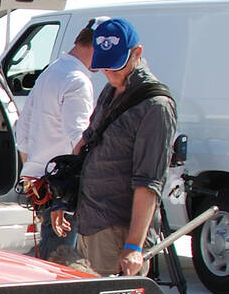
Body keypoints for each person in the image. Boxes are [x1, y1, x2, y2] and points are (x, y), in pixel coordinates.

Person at [51, 18, 177, 277]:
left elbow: (149, 182)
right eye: (104, 67)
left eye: (116, 66)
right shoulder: (111, 90)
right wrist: (63, 200)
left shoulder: (155, 107)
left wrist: (133, 246)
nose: (110, 73)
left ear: (137, 53)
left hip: (118, 231)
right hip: (90, 222)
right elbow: (86, 144)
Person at [18, 22, 96, 262]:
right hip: (64, 188)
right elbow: (80, 140)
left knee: (47, 259)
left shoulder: (52, 71)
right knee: (61, 267)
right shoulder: (77, 80)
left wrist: (33, 173)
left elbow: (22, 131)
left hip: (42, 182)